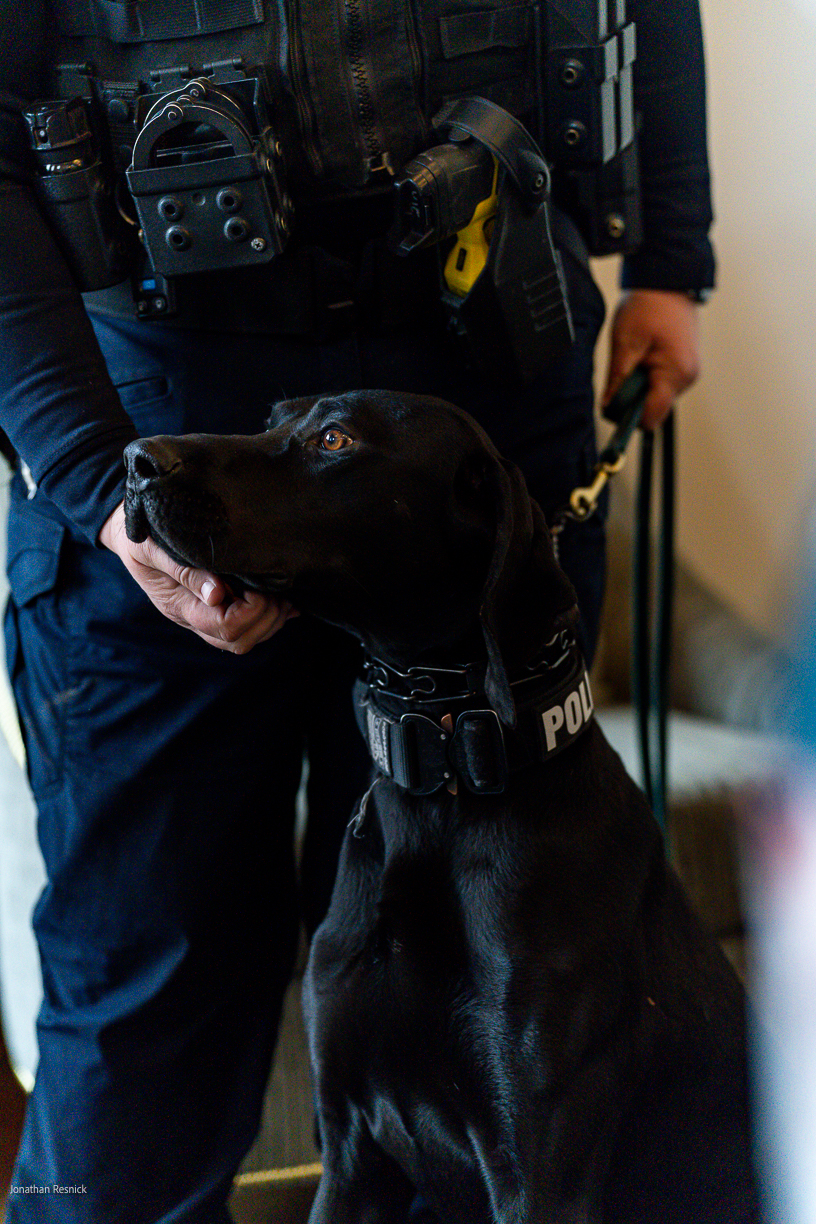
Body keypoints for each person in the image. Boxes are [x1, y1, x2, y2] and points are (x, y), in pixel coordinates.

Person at [0, 1, 714, 1219]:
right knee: (143, 1022)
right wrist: (94, 482)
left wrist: (670, 255)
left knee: (522, 1052)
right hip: (165, 423)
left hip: (480, 411)